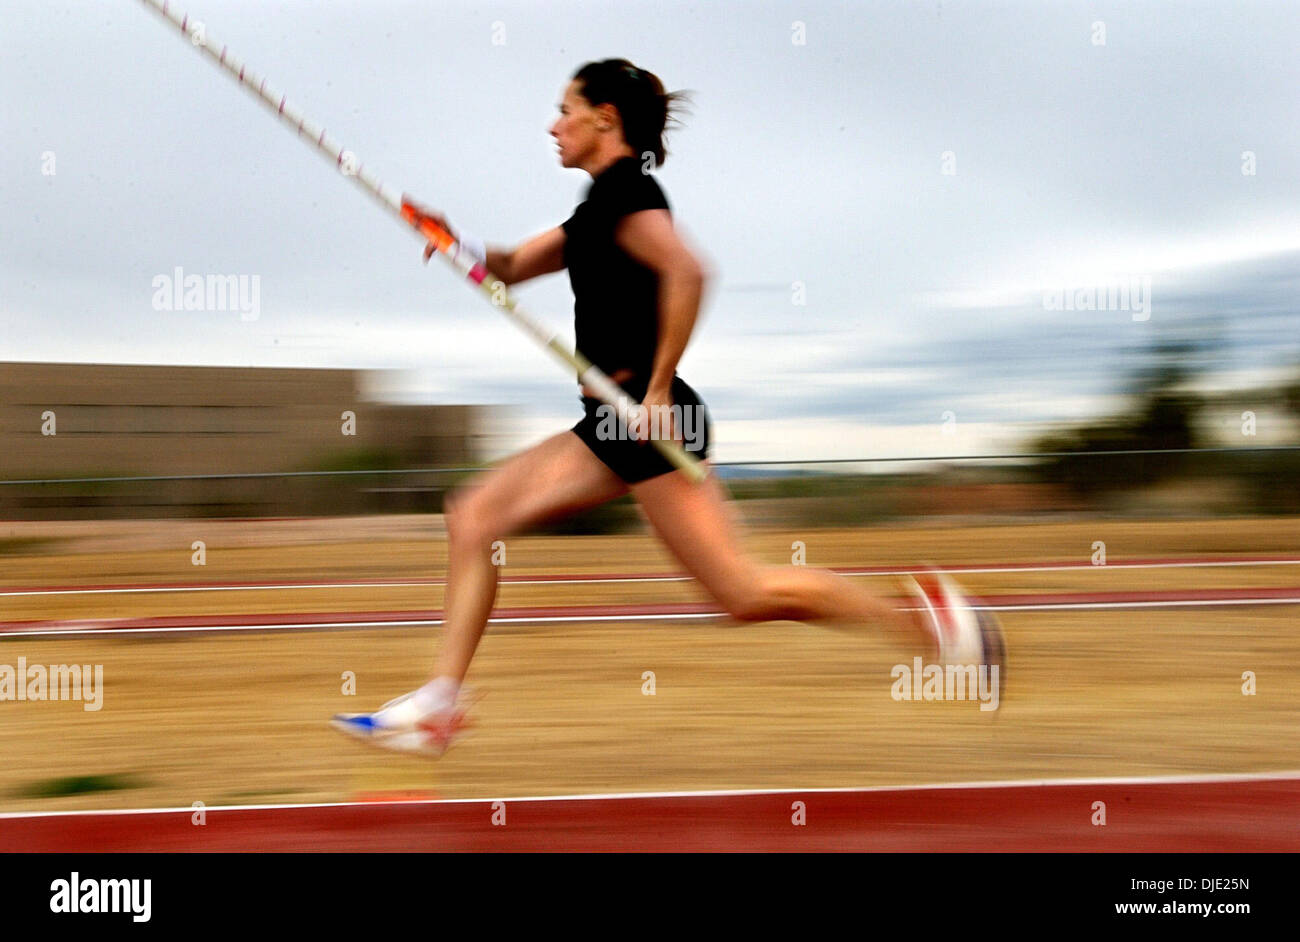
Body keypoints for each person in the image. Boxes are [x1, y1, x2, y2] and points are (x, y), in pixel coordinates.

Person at [332, 59, 1004, 756]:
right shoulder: (595, 210)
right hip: (608, 425)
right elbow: (508, 266)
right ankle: (441, 704)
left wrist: (656, 387)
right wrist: (453, 240)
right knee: (473, 516)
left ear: (606, 120)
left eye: (566, 110)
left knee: (743, 595)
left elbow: (689, 271)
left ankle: (938, 630)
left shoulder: (632, 197)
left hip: (653, 421)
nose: (553, 125)